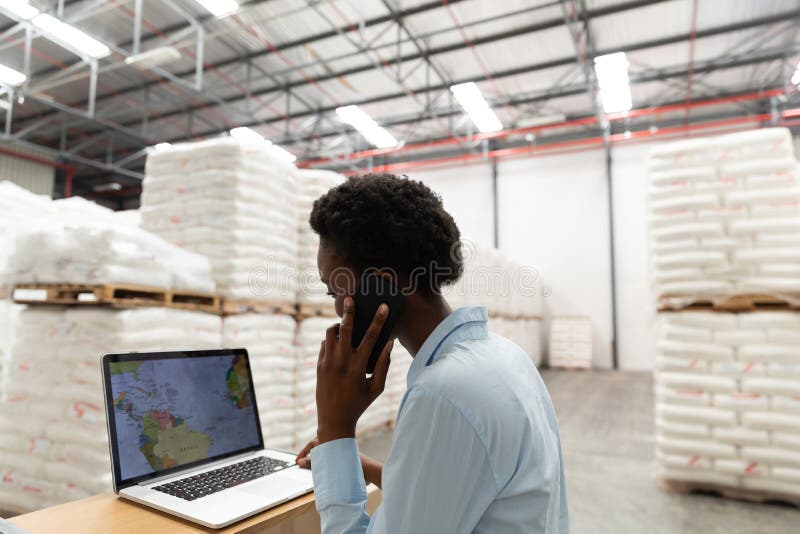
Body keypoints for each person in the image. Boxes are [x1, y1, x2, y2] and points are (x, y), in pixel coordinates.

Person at [295, 173, 568, 533]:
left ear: (381, 287)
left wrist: (335, 427)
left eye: (335, 293)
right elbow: (446, 494)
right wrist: (353, 463)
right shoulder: (504, 356)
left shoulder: (444, 393)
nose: (335, 312)